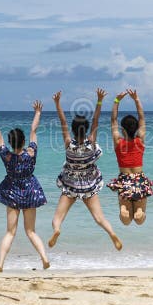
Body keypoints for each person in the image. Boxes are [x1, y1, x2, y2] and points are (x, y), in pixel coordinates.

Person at [48, 89, 123, 251]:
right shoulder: (91, 143)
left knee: (57, 217)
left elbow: (62, 122)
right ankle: (111, 232)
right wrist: (99, 100)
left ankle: (57, 230)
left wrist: (57, 103)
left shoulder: (69, 144)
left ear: (74, 130)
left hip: (70, 184)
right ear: (86, 129)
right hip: (88, 184)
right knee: (99, 217)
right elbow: (96, 121)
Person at [0, 101, 50, 272]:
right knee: (30, 231)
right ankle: (44, 258)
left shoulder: (6, 155)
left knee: (10, 232)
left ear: (11, 142)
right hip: (30, 191)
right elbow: (33, 130)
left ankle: (0, 263)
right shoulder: (31, 153)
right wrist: (37, 112)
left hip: (12, 192)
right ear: (23, 142)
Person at [108, 89, 153, 226]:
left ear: (123, 130)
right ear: (136, 129)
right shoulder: (140, 141)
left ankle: (124, 209)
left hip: (124, 179)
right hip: (139, 179)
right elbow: (142, 118)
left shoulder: (118, 141)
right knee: (139, 220)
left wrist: (117, 101)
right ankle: (140, 210)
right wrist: (136, 99)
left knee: (126, 221)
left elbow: (113, 120)